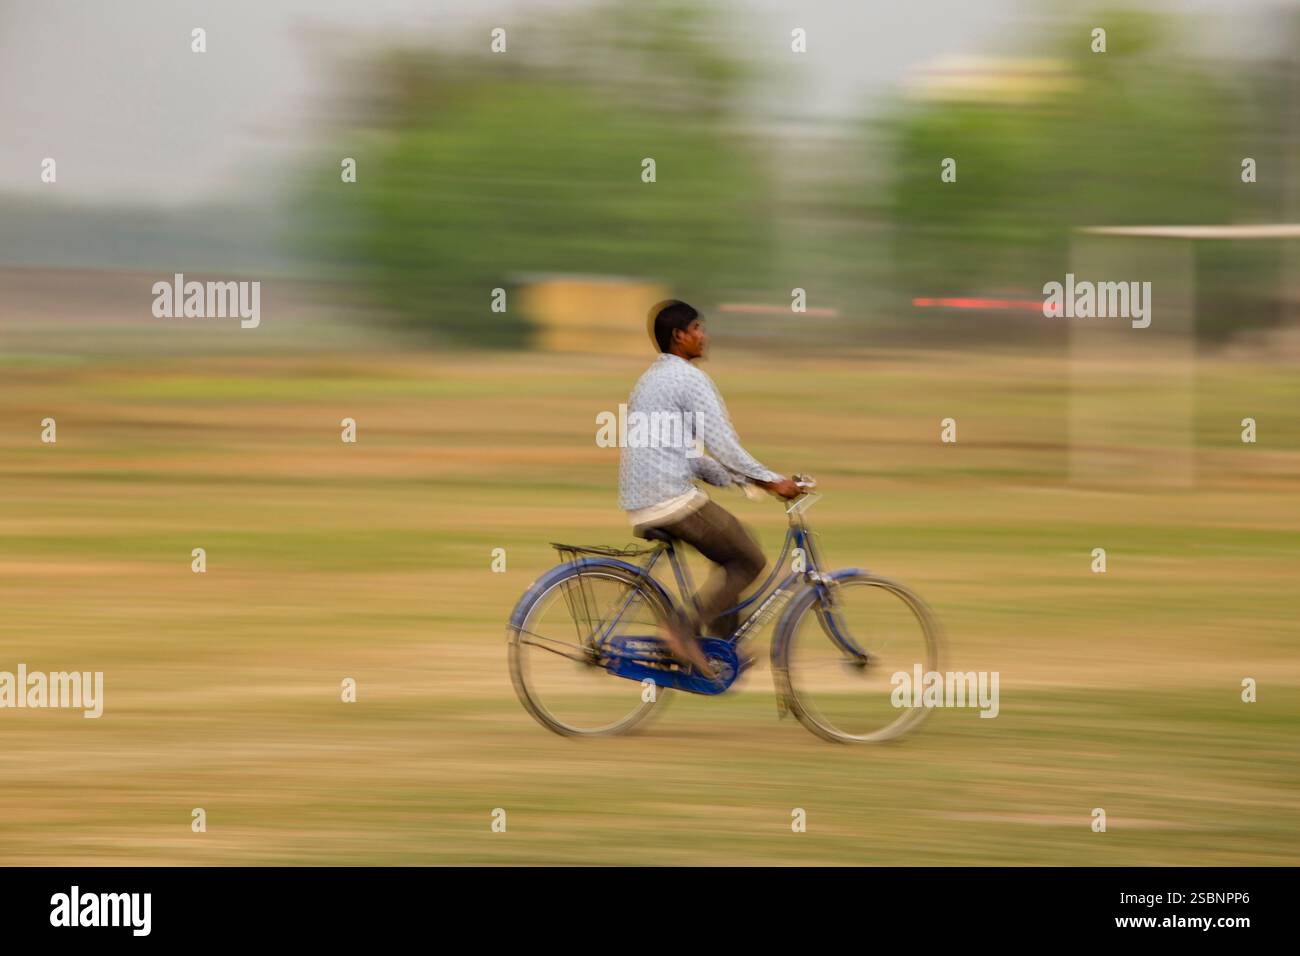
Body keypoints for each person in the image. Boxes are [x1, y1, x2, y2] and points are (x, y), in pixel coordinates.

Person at [619, 299, 801, 677]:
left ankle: (723, 647)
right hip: (669, 497)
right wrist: (772, 480)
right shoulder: (689, 379)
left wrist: (744, 478)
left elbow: (691, 455)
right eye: (698, 328)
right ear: (679, 336)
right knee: (747, 558)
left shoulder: (650, 380)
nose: (705, 336)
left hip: (642, 497)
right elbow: (723, 444)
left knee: (732, 546)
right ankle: (681, 631)